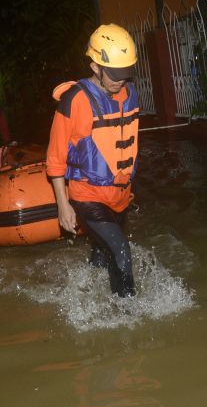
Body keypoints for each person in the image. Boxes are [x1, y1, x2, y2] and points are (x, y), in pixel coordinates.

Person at [46, 23, 140, 298]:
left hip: (121, 195)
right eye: (114, 74)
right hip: (87, 195)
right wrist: (63, 205)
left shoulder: (130, 92)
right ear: (95, 66)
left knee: (104, 251)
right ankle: (128, 319)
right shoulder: (74, 100)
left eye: (125, 73)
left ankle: (88, 295)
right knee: (121, 249)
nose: (120, 80)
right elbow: (55, 157)